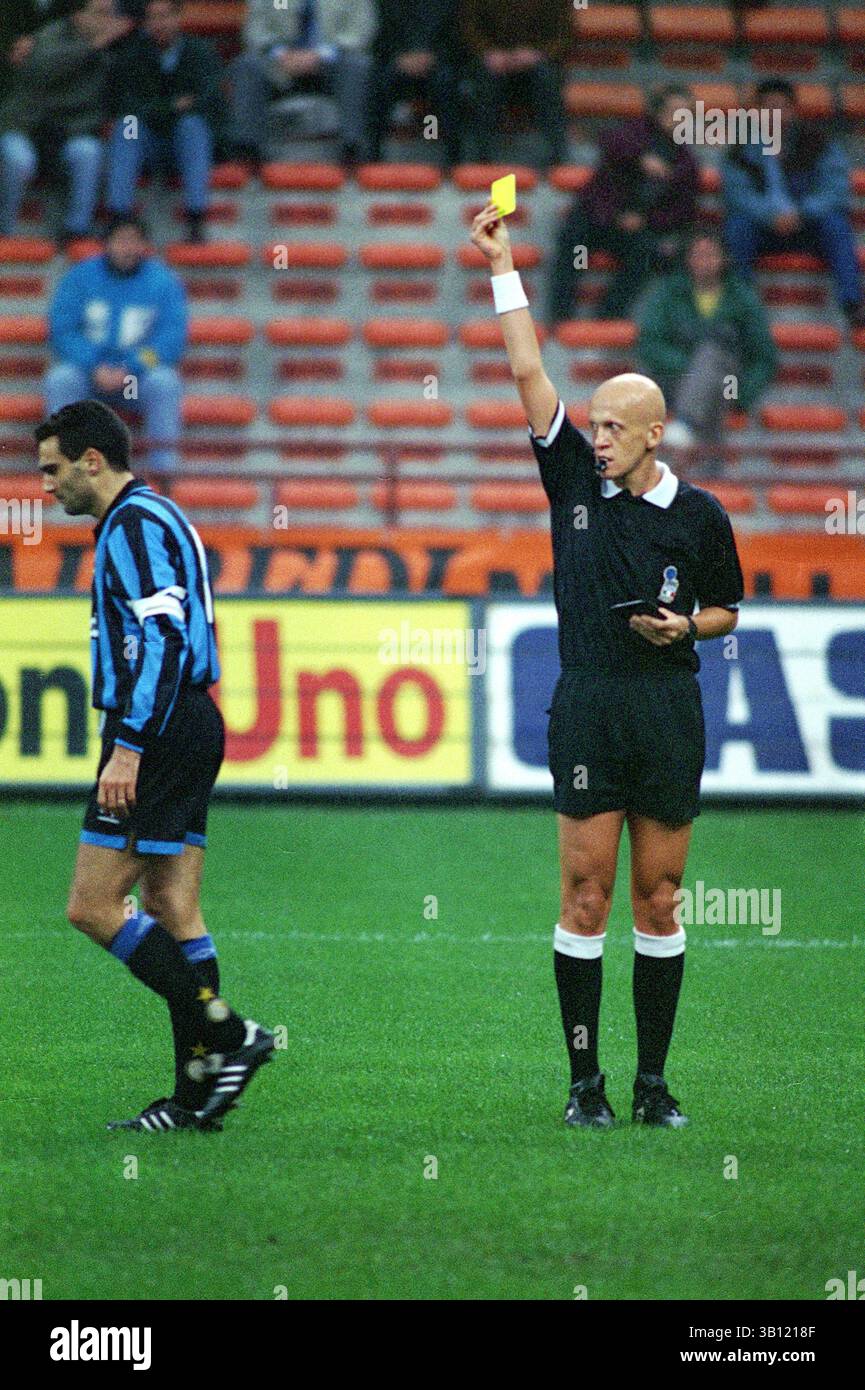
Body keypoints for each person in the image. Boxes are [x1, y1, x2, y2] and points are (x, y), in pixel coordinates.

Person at [470, 199, 744, 1129]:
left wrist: (689, 631)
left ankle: (651, 1085)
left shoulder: (699, 516)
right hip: (587, 703)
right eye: (591, 427)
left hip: (667, 706)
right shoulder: (571, 487)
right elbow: (523, 367)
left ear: (654, 433)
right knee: (585, 897)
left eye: (612, 429)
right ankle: (583, 1086)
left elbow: (727, 608)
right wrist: (502, 264)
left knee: (658, 900)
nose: (596, 439)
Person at [35, 398, 275, 1132]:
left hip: (160, 728)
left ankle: (229, 1034)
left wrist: (130, 743)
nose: (45, 488)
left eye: (53, 470)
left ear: (92, 461)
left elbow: (162, 639)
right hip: (189, 720)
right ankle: (195, 1097)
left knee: (92, 905)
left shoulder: (133, 526)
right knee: (173, 908)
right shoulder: (152, 516)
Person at [546, 85, 699, 325]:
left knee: (645, 256)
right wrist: (640, 157)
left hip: (634, 232)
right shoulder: (634, 132)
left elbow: (682, 211)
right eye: (673, 112)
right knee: (575, 250)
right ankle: (561, 318)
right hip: (596, 222)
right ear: (657, 113)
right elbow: (609, 141)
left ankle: (609, 317)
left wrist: (645, 220)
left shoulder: (686, 163)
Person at [45, 215, 187, 472]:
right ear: (107, 244)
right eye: (121, 241)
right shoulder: (80, 277)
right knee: (61, 378)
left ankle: (165, 473)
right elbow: (63, 331)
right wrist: (93, 365)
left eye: (135, 241)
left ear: (145, 246)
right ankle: (64, 469)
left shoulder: (163, 282)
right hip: (89, 378)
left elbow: (170, 340)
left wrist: (131, 368)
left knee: (164, 382)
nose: (128, 248)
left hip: (135, 381)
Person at [723, 78, 865, 329]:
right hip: (763, 227)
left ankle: (852, 304)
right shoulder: (740, 148)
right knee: (737, 227)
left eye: (780, 107)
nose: (773, 115)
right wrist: (770, 215)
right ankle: (738, 309)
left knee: (837, 225)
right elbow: (738, 194)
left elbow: (834, 189)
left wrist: (801, 212)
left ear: (792, 110)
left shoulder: (817, 143)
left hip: (806, 225)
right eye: (766, 108)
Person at [637, 228, 778, 461]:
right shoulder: (668, 293)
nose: (705, 262)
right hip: (674, 380)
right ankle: (708, 470)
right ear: (688, 259)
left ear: (723, 259)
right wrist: (690, 369)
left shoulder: (742, 297)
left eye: (711, 255)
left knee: (714, 354)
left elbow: (764, 356)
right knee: (704, 374)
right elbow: (649, 343)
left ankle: (684, 429)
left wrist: (744, 395)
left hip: (729, 386)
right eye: (698, 255)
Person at [0, 0, 133, 242]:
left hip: (73, 132)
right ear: (78, 16)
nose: (107, 20)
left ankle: (78, 230)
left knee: (92, 150)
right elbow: (43, 66)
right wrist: (92, 46)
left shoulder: (120, 45)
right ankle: (5, 231)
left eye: (110, 14)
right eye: (100, 14)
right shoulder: (51, 34)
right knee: (19, 159)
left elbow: (131, 102)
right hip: (27, 127)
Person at [105, 0, 225, 244]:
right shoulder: (133, 54)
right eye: (153, 18)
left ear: (178, 17)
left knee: (192, 125)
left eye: (164, 16)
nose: (159, 24)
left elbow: (210, 101)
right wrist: (173, 106)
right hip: (147, 144)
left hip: (187, 144)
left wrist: (158, 109)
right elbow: (126, 105)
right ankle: (119, 215)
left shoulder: (201, 52)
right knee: (128, 124)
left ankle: (195, 215)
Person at [229, 0, 376, 169]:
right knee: (248, 64)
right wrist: (281, 54)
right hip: (280, 64)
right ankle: (248, 149)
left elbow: (360, 31)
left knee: (357, 64)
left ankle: (353, 147)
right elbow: (256, 30)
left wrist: (319, 55)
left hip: (333, 62)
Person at [459, 0, 571, 170]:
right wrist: (488, 52)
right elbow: (467, 27)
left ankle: (557, 152)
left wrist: (537, 54)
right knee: (484, 79)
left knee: (545, 77)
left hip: (537, 63)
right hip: (491, 62)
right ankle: (482, 155)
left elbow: (564, 34)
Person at [366, 0, 462, 168]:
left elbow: (457, 38)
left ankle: (452, 160)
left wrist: (433, 58)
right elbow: (378, 36)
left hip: (438, 62)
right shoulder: (384, 3)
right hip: (396, 61)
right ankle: (373, 158)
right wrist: (399, 58)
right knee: (378, 83)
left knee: (446, 82)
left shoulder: (450, 4)